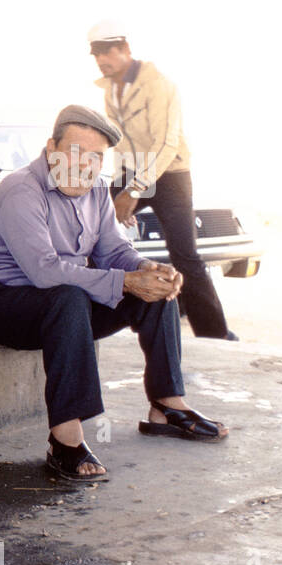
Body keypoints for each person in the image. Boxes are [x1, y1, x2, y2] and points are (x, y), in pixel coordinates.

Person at [0, 105, 228, 482]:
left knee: (151, 290)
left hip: (61, 305)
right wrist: (124, 281)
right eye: (75, 152)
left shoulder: (97, 189)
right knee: (69, 294)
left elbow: (112, 252)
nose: (85, 164)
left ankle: (167, 406)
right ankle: (65, 439)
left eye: (96, 156)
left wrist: (146, 270)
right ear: (52, 148)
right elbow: (44, 272)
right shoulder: (21, 190)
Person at [87, 19, 235, 340]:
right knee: (89, 224)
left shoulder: (160, 85)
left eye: (107, 52)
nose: (101, 60)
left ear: (125, 50)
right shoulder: (110, 88)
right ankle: (84, 314)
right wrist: (121, 186)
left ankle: (216, 335)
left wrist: (134, 192)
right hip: (133, 172)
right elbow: (120, 143)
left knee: (184, 255)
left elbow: (166, 143)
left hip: (170, 173)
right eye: (95, 54)